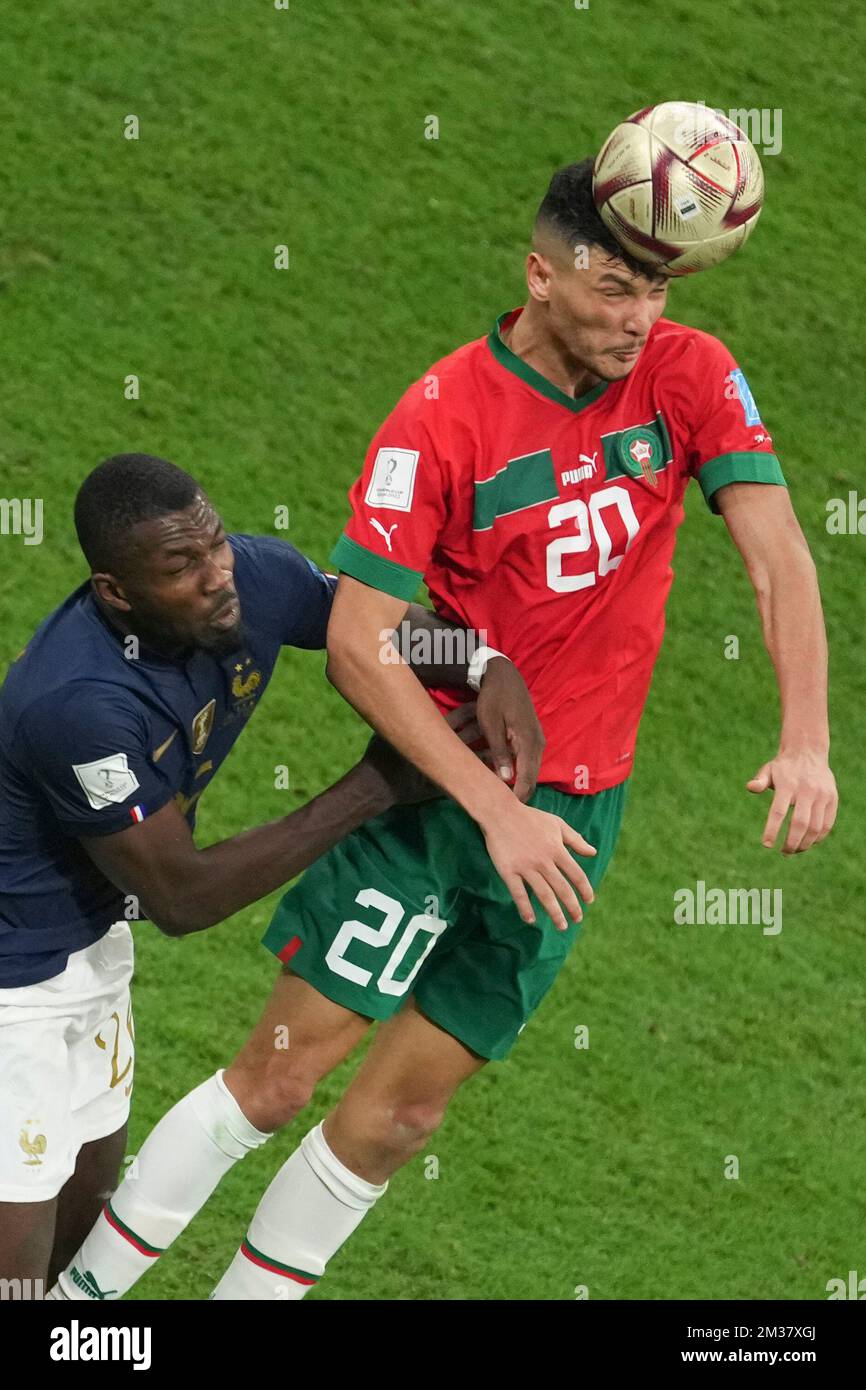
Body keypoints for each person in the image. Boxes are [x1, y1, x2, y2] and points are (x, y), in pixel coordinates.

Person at [53, 159, 837, 1302]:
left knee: (398, 1118)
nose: (639, 319)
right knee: (275, 1081)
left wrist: (804, 735)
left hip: (575, 822)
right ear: (540, 273)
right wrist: (489, 808)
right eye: (613, 288)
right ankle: (79, 1318)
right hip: (438, 802)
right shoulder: (441, 419)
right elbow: (367, 643)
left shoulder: (688, 374)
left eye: (656, 291)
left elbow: (776, 555)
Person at [0, 451, 541, 1292]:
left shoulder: (253, 577)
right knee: (18, 1271)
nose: (219, 578)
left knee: (81, 1226)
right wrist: (374, 787)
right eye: (182, 567)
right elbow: (181, 895)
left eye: (214, 545)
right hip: (12, 987)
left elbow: (364, 624)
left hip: (93, 948)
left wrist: (483, 666)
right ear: (117, 593)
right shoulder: (78, 704)